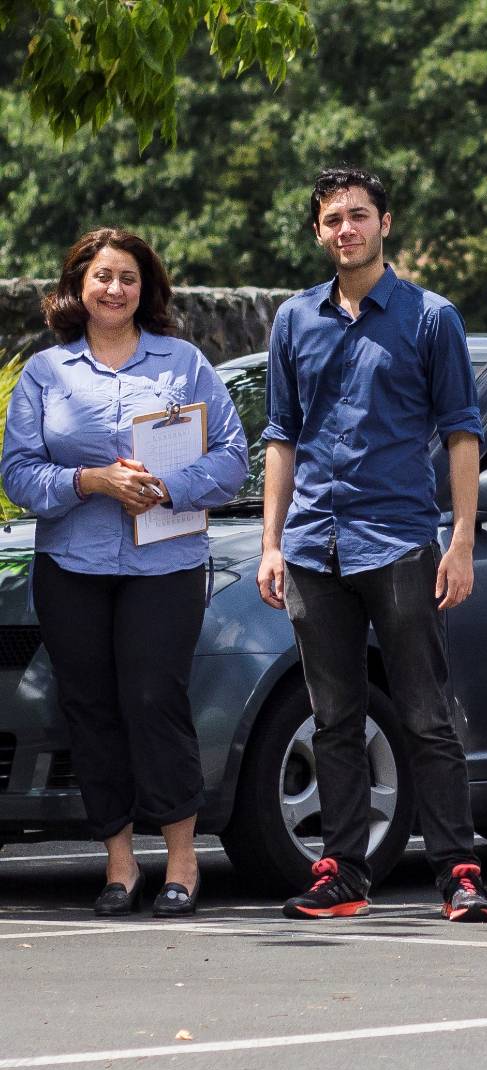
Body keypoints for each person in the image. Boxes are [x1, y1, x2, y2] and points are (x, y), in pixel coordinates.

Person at [257, 165, 487, 922]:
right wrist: (270, 544)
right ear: (319, 232)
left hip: (397, 541)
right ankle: (343, 872)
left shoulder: (431, 318)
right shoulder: (295, 320)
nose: (346, 230)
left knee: (425, 715)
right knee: (333, 719)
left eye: (358, 216)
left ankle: (458, 869)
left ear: (384, 224)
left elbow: (462, 432)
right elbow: (281, 439)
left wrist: (459, 541)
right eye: (332, 220)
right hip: (312, 547)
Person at [1, 228, 248, 917]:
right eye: (103, 276)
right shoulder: (48, 374)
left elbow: (232, 458)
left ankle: (181, 860)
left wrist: (168, 487)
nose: (115, 289)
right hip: (71, 566)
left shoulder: (184, 364)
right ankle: (118, 864)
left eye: (129, 278)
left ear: (148, 289)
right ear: (79, 285)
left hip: (163, 565)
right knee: (90, 709)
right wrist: (91, 481)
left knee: (153, 703)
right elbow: (17, 472)